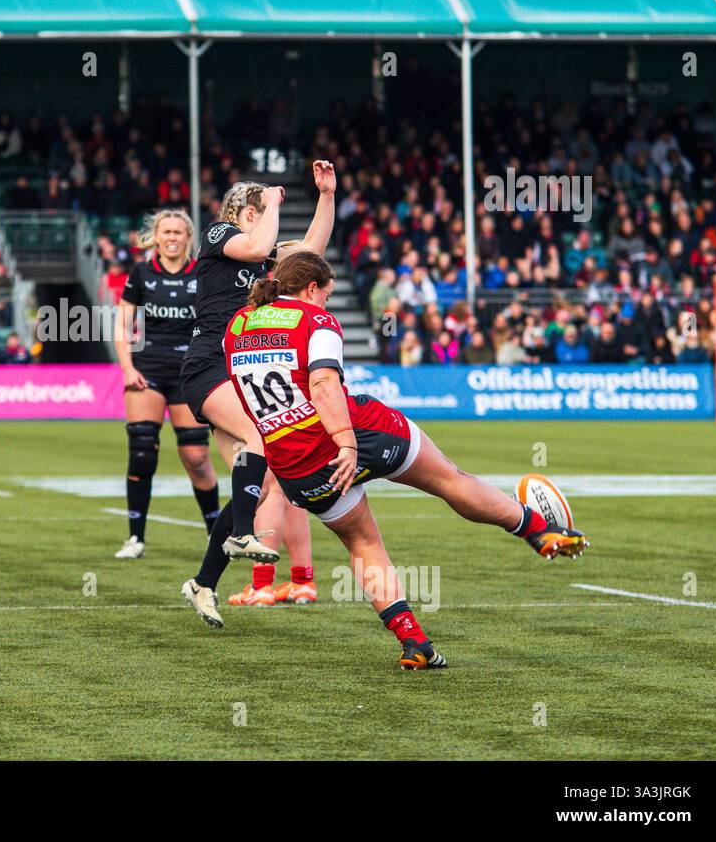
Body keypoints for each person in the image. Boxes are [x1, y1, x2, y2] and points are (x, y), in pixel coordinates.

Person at [219, 253, 590, 665]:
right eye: (326, 294)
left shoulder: (237, 326)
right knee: (449, 480)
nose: (326, 302)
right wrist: (346, 443)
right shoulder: (316, 321)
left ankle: (414, 643)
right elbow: (323, 383)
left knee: (362, 543)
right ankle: (539, 530)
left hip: (296, 463)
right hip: (354, 433)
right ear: (311, 290)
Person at [179, 164, 336, 627]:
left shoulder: (261, 255)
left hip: (238, 370)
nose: (268, 218)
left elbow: (311, 254)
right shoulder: (219, 234)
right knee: (260, 438)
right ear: (245, 211)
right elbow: (258, 244)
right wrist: (268, 202)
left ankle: (203, 583)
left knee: (259, 481)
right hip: (208, 364)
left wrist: (326, 196)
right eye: (261, 211)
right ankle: (243, 534)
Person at [112, 210, 220, 559]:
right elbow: (122, 325)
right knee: (142, 452)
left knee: (197, 458)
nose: (171, 237)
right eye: (165, 231)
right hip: (149, 371)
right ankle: (135, 539)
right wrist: (127, 367)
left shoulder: (201, 273)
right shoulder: (142, 273)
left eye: (178, 231)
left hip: (190, 373)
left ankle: (214, 534)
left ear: (188, 237)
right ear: (156, 237)